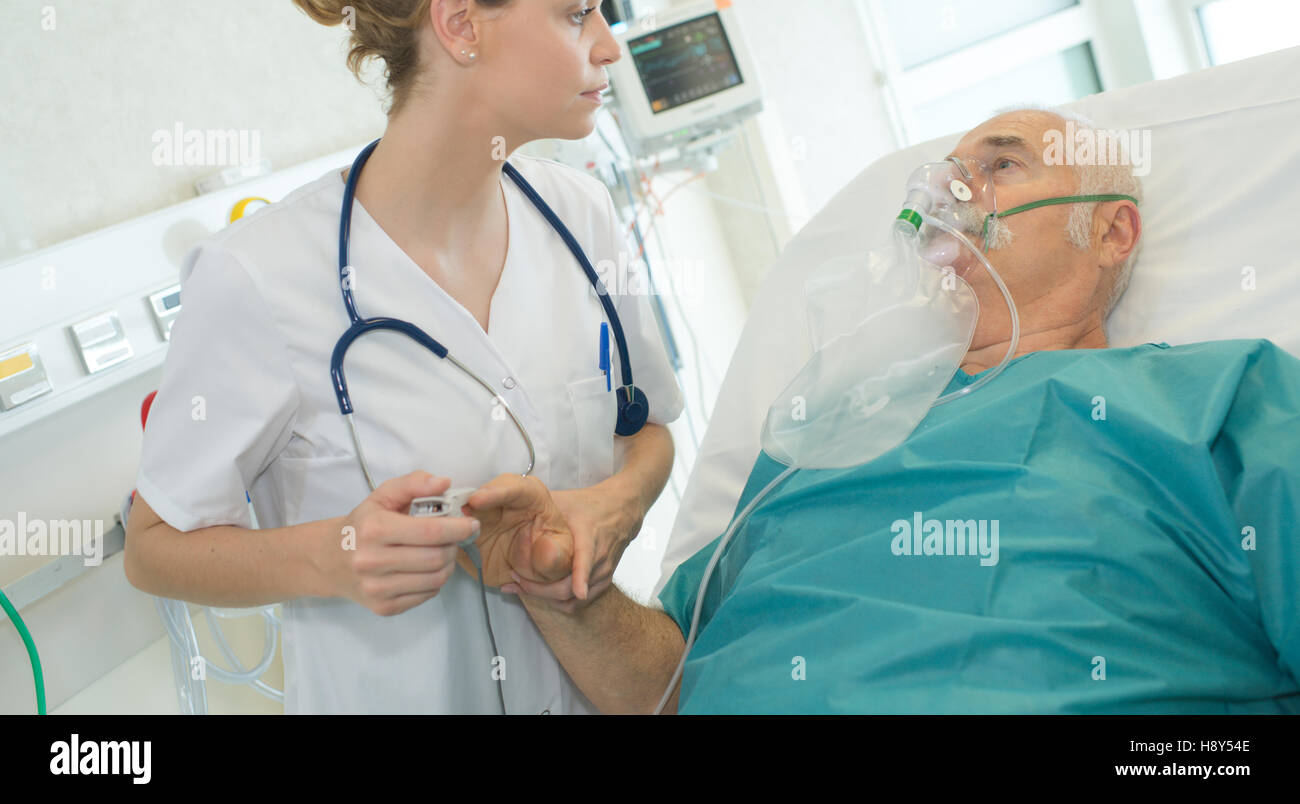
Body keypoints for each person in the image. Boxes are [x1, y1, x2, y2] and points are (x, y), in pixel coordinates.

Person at [483, 107, 1300, 713]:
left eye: (1004, 165)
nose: (954, 186)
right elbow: (672, 677)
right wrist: (567, 590)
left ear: (1113, 233)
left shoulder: (1219, 399)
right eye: (947, 166)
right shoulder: (829, 422)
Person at [124, 0, 682, 714]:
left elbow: (648, 432)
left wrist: (615, 503)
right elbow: (152, 545)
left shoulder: (580, 215)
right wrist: (328, 555)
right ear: (460, 22)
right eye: (578, 13)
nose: (609, 45)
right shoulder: (260, 279)